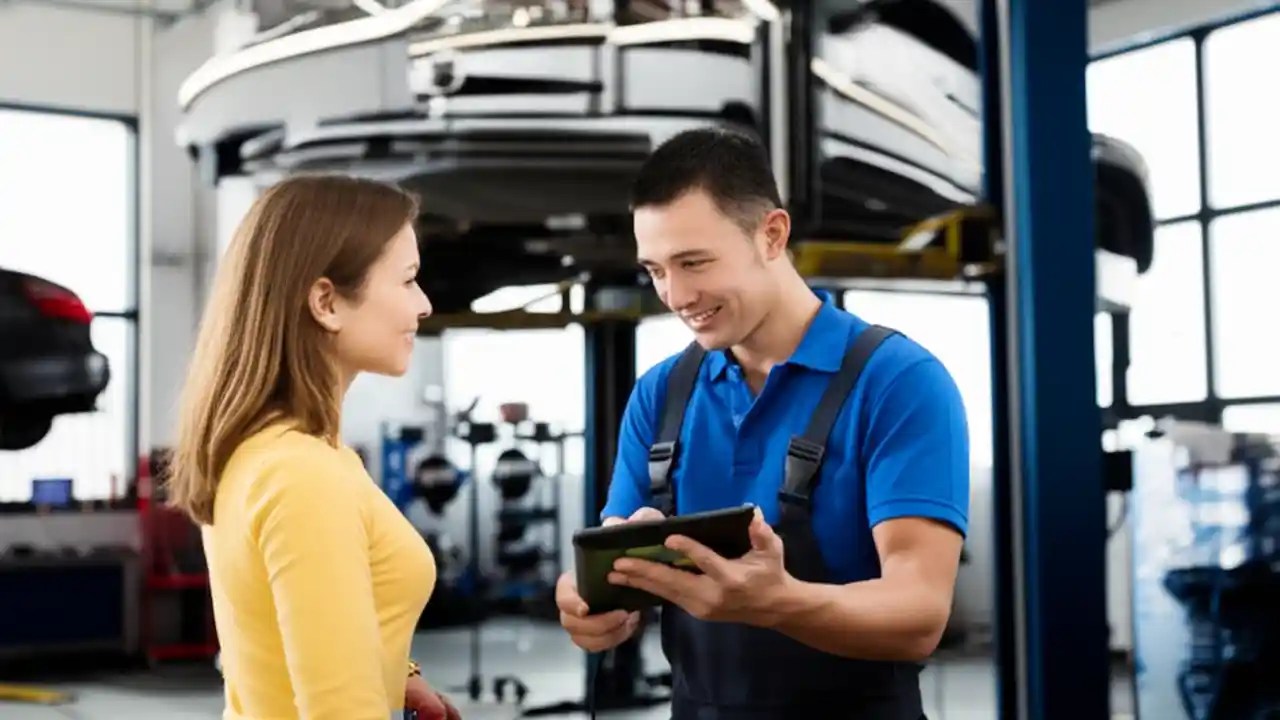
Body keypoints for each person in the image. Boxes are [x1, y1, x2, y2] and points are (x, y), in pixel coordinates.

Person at [555, 127, 969, 719]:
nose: (674, 294)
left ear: (771, 234)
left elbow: (919, 614)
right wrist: (595, 605)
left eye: (694, 262)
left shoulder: (898, 383)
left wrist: (778, 602)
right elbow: (620, 552)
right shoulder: (661, 394)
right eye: (655, 269)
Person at [166, 175, 461, 720]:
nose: (422, 305)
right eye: (408, 281)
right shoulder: (303, 475)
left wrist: (397, 673)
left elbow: (272, 646)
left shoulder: (266, 452)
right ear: (326, 301)